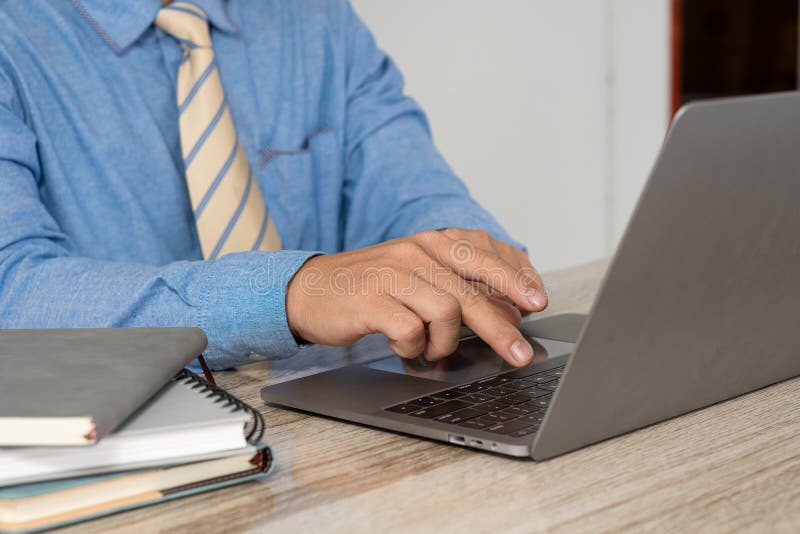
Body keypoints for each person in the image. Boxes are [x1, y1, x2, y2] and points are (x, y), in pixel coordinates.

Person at [0, 0, 547, 370]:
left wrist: (463, 261)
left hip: (341, 439)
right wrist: (289, 293)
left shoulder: (313, 15)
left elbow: (407, 186)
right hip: (126, 460)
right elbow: (11, 290)